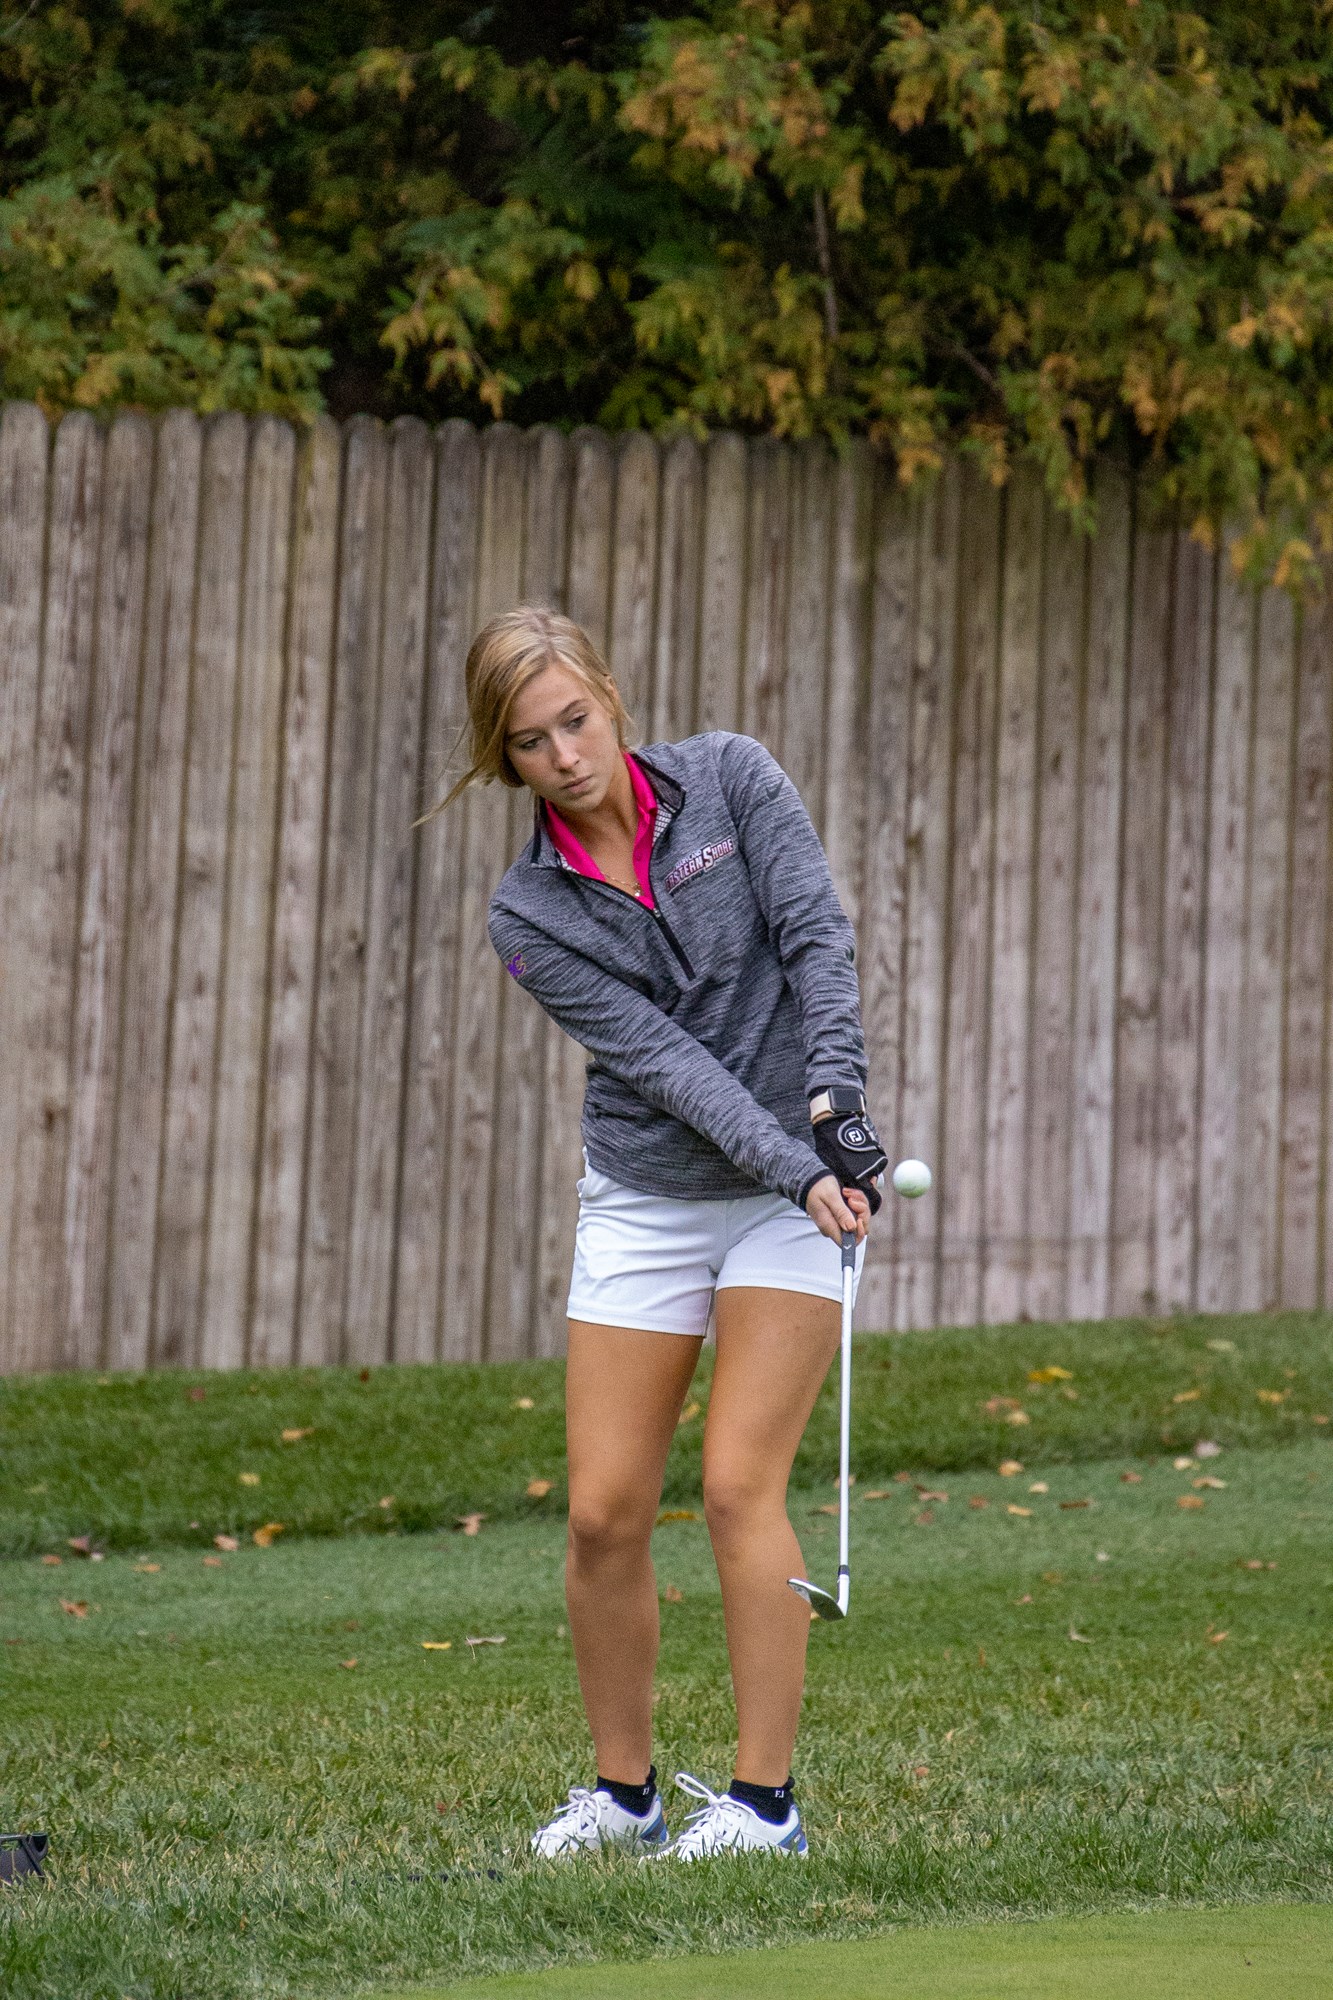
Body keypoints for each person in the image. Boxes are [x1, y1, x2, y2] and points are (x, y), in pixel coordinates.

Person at [430, 605, 886, 1861]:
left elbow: (815, 937)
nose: (565, 755)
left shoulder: (734, 777)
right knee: (601, 1510)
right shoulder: (529, 915)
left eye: (575, 719)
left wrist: (835, 1107)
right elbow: (666, 1062)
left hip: (791, 1200)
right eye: (529, 741)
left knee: (739, 1483)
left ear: (612, 698)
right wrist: (798, 1165)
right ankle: (626, 1796)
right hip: (648, 1197)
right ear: (502, 758)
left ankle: (762, 1806)